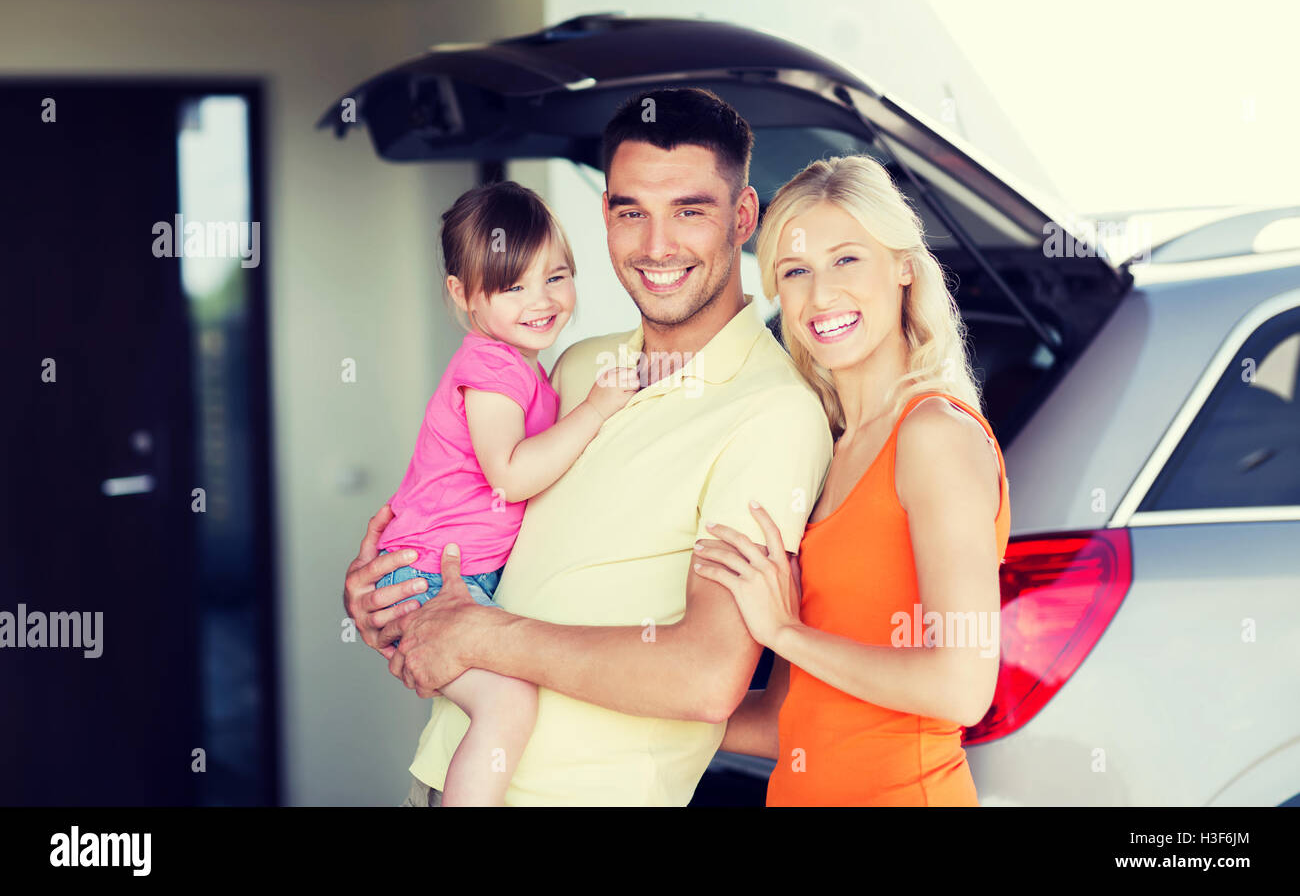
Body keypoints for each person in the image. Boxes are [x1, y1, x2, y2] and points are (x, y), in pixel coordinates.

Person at [343, 87, 833, 806]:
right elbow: (486, 540)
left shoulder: (773, 413)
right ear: (604, 215)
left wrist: (479, 637)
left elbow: (705, 677)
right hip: (446, 780)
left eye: (689, 211)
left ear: (744, 218)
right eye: (632, 211)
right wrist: (395, 599)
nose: (657, 246)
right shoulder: (575, 369)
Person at [696, 155, 1009, 805]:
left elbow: (962, 687)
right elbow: (790, 720)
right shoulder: (824, 455)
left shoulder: (934, 437)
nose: (822, 294)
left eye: (846, 260)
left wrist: (784, 633)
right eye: (796, 271)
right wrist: (603, 698)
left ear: (902, 266)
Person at [372, 181, 637, 805]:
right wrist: (597, 409)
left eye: (557, 276)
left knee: (508, 699)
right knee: (508, 701)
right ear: (462, 294)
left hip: (453, 574)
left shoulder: (521, 365)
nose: (540, 301)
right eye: (512, 286)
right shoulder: (490, 370)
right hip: (428, 577)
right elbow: (512, 474)